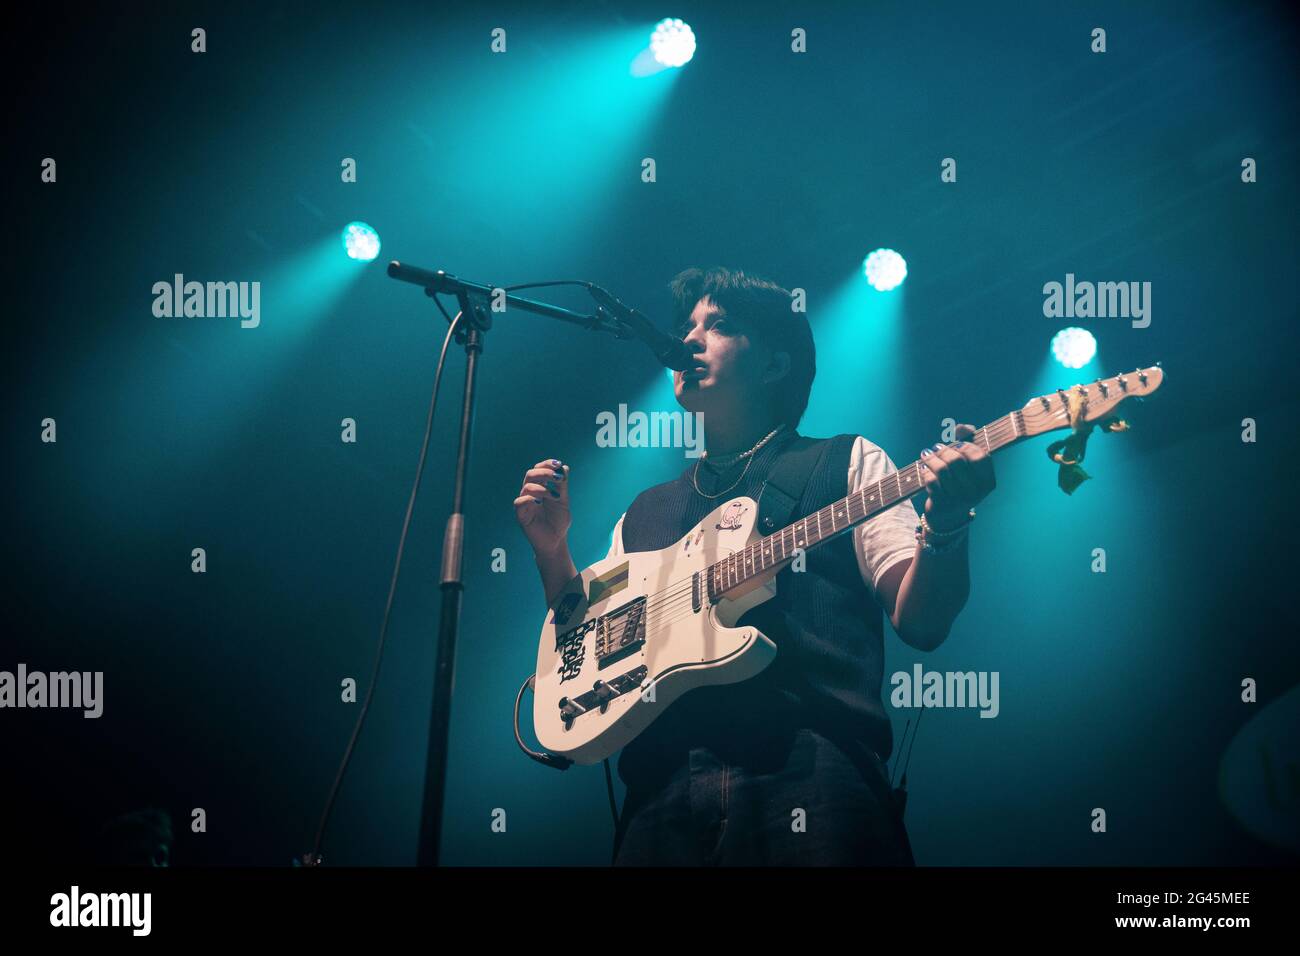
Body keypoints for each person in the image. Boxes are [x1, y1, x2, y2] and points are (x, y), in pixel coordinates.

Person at [514, 267, 995, 865]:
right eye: (687, 326)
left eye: (720, 326)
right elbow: (583, 644)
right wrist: (551, 551)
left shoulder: (845, 461)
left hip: (809, 772)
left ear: (774, 364)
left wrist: (946, 520)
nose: (689, 340)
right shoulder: (645, 512)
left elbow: (920, 622)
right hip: (660, 792)